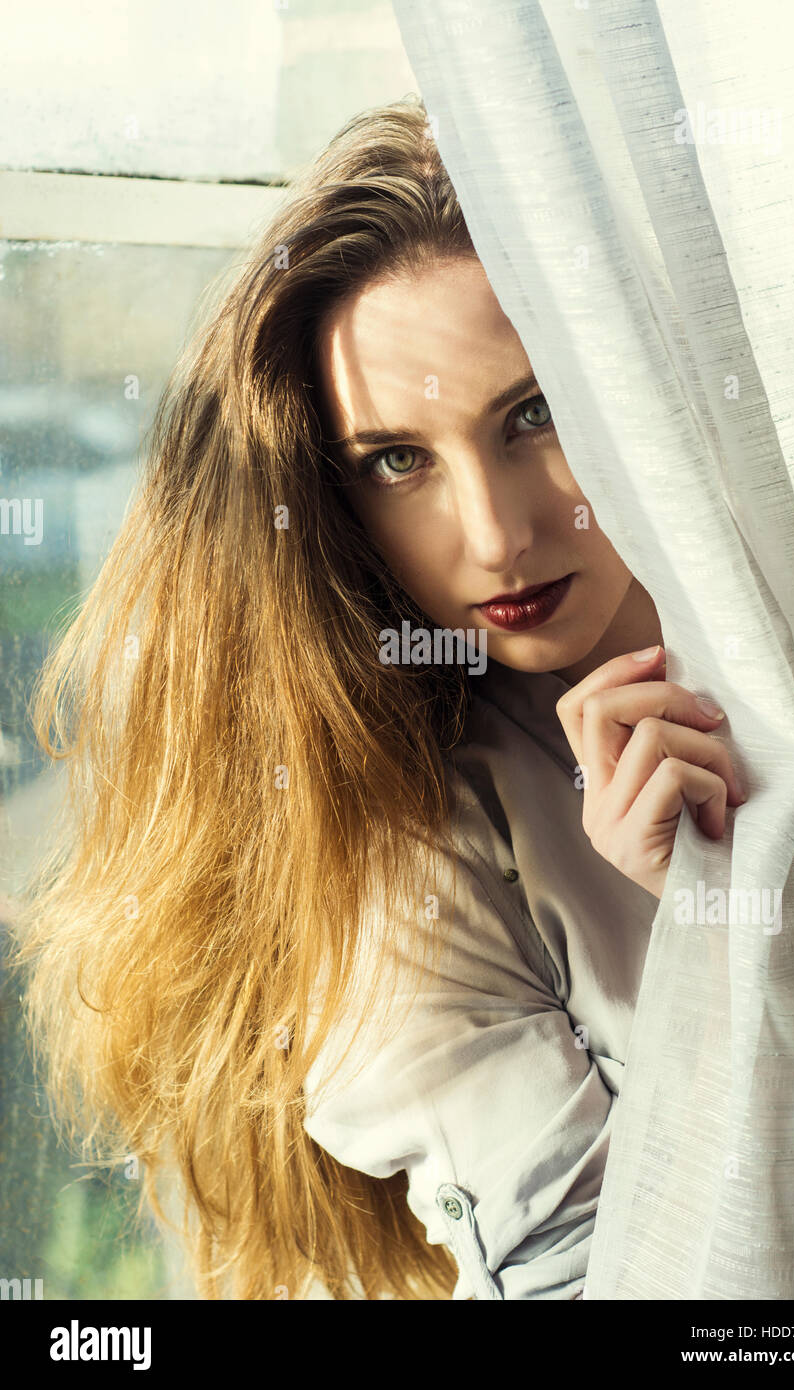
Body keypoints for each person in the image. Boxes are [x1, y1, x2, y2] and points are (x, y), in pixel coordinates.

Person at [9, 94, 745, 1301]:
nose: (496, 536)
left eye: (535, 415)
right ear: (331, 498)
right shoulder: (389, 856)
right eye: (399, 459)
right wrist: (710, 939)